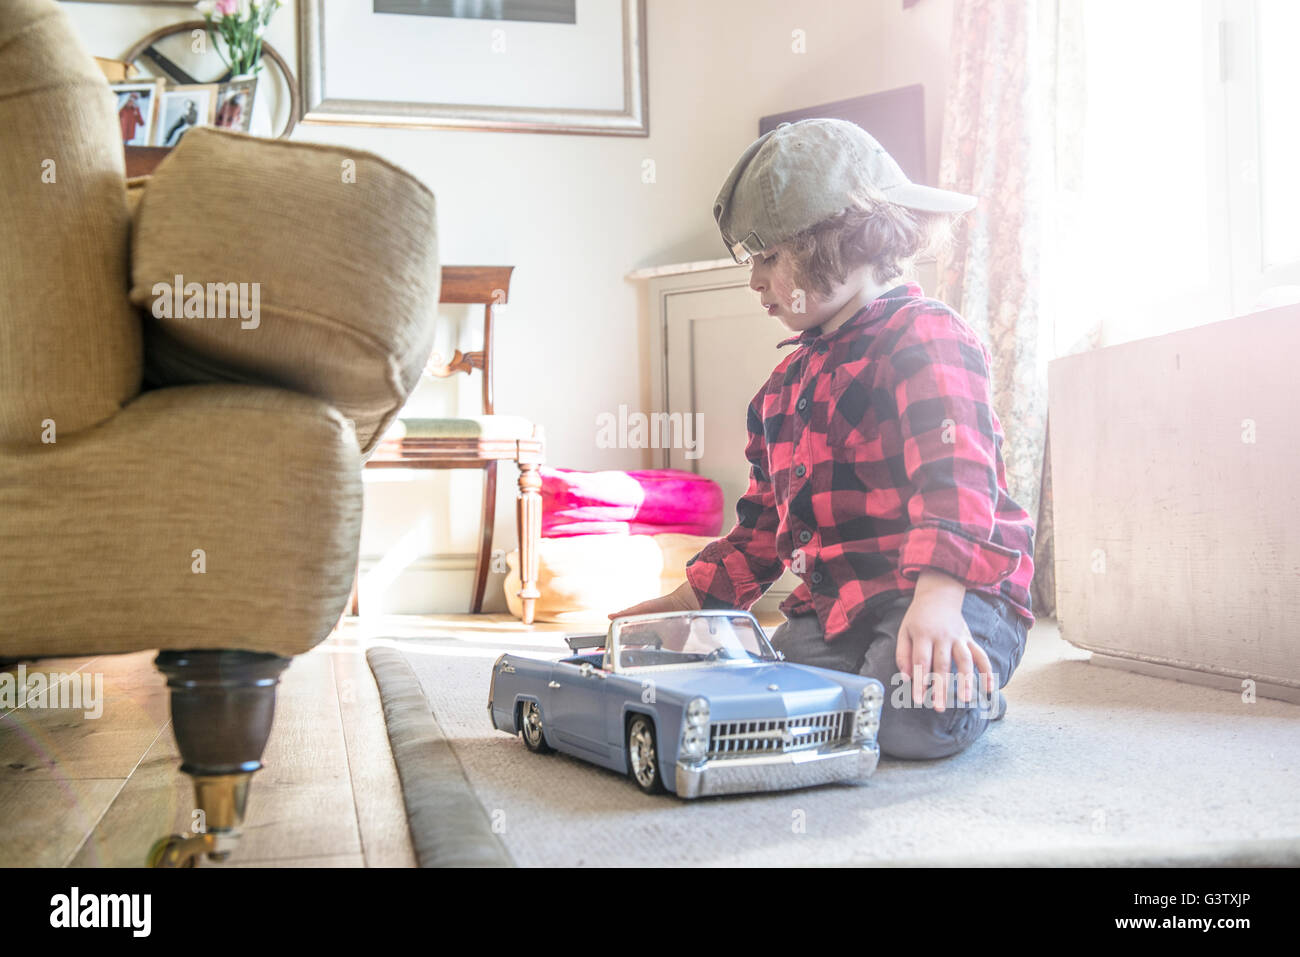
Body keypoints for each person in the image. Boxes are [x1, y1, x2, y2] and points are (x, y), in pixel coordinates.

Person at [609, 119, 1036, 760]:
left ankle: (975, 689)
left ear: (844, 242)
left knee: (903, 722)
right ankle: (899, 672)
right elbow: (758, 535)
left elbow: (958, 485)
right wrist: (673, 610)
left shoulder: (927, 336)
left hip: (953, 591)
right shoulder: (781, 391)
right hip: (842, 603)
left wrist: (939, 602)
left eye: (768, 258)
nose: (754, 281)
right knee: (770, 698)